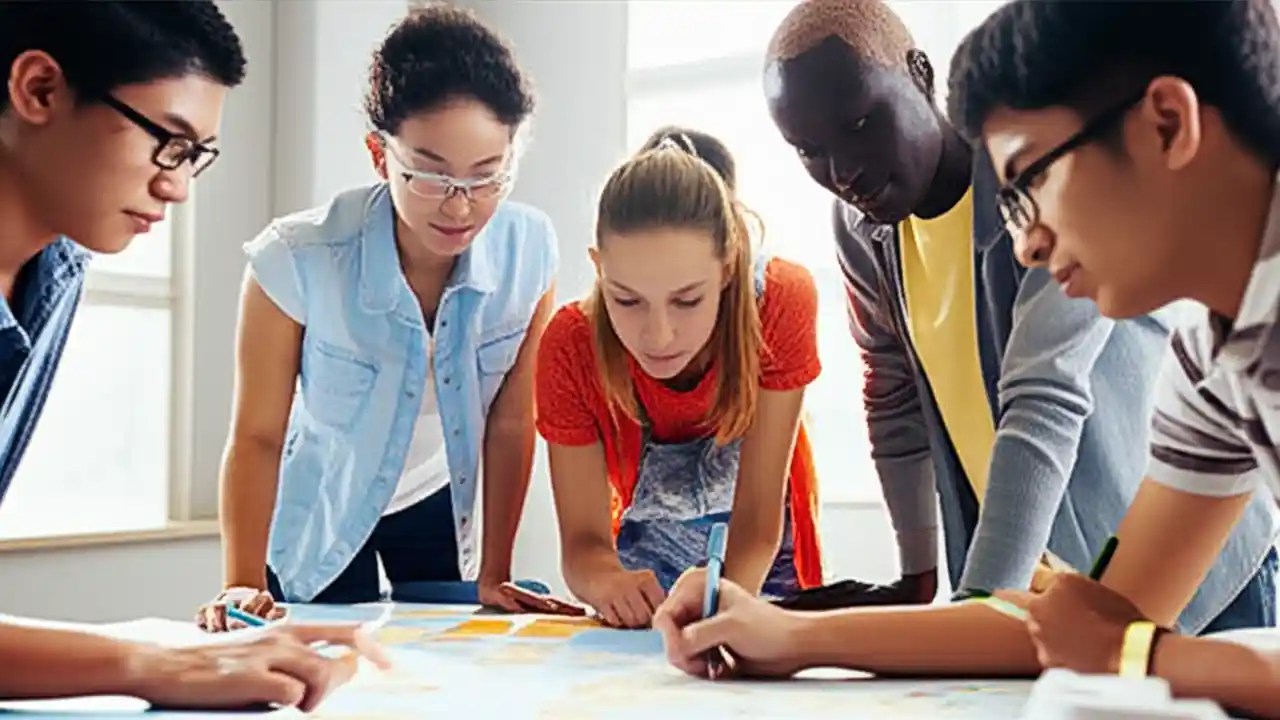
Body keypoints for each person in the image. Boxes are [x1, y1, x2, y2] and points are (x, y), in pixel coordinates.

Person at [655, 2, 1280, 718]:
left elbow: (1119, 640)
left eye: (1029, 183)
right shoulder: (1214, 368)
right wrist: (788, 633)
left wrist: (1139, 653)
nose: (1025, 247)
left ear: (1167, 125)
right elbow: (1092, 627)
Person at [0, 1, 388, 710]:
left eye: (195, 158)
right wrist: (157, 664)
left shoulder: (56, 269)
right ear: (40, 91)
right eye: (166, 143)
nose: (176, 186)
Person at [198, 4, 567, 629]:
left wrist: (495, 569)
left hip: (436, 491)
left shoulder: (529, 250)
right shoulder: (295, 258)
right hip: (323, 499)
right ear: (379, 155)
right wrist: (240, 581)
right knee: (318, 663)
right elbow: (258, 435)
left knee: (441, 659)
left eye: (487, 177)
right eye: (430, 174)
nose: (461, 207)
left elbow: (511, 420)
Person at [535, 127, 824, 628]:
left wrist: (722, 610)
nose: (659, 335)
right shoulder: (567, 345)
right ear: (598, 268)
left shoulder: (781, 299)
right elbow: (582, 546)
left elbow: (757, 521)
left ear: (729, 268)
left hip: (763, 557)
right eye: (626, 300)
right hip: (647, 569)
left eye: (687, 300)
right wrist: (605, 578)